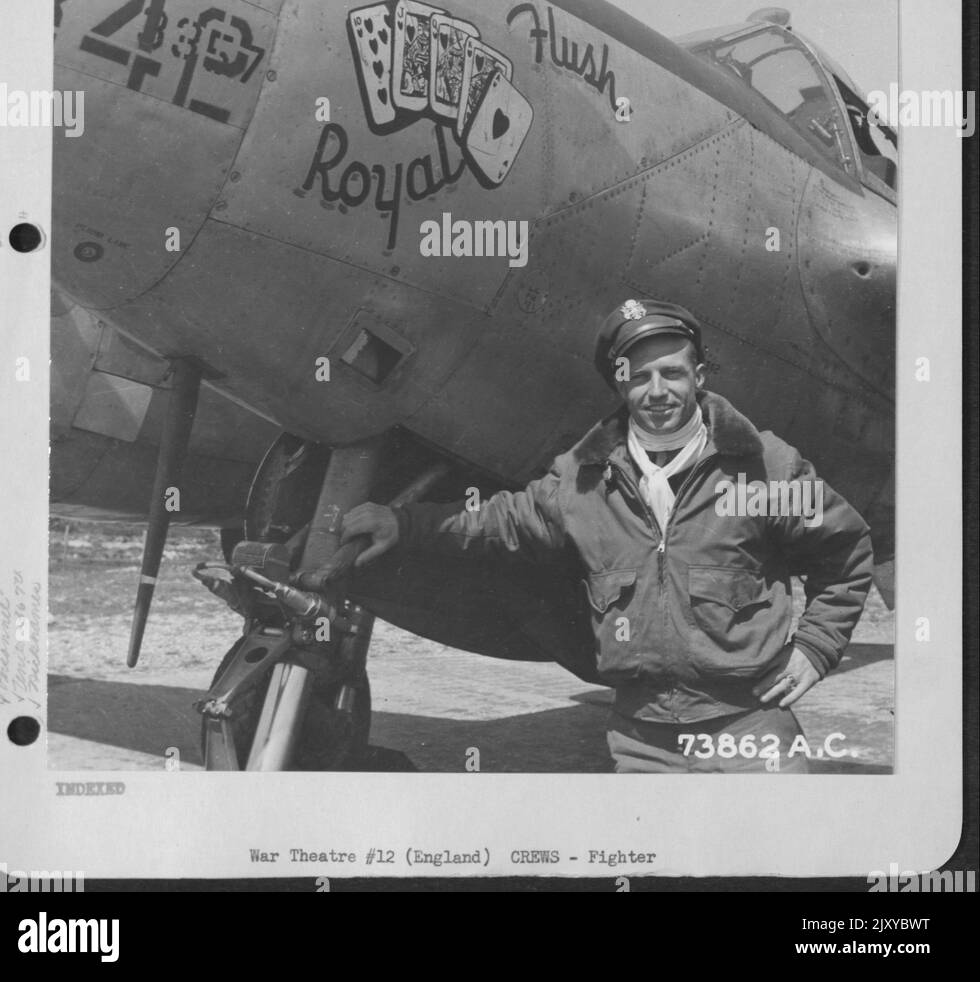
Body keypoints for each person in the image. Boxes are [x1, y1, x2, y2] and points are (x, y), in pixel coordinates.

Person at [339, 298, 874, 772]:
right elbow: (501, 520)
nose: (657, 391)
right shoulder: (584, 477)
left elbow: (845, 551)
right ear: (621, 384)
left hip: (749, 731)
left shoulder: (763, 465)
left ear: (700, 376)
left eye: (673, 373)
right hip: (642, 742)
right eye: (639, 377)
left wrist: (816, 646)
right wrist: (403, 523)